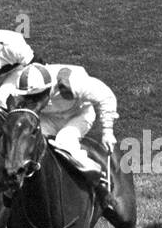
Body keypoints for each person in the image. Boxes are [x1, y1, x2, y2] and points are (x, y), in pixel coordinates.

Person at [6, 62, 118, 191]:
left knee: (65, 141)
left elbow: (106, 97)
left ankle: (96, 175)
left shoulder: (70, 83)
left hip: (78, 115)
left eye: (37, 97)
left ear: (48, 89)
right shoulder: (20, 90)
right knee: (29, 142)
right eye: (28, 98)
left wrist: (107, 131)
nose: (32, 102)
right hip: (48, 118)